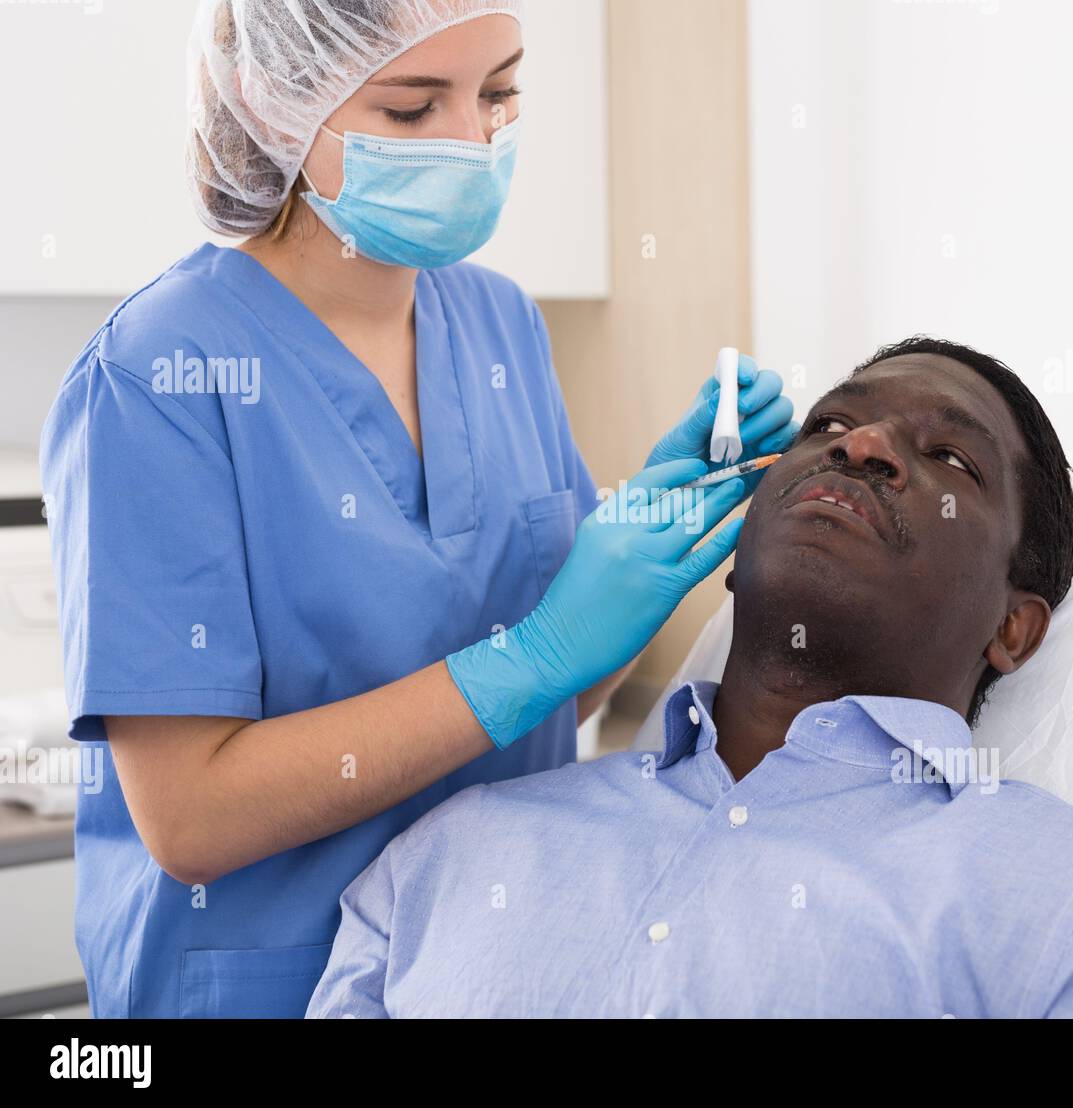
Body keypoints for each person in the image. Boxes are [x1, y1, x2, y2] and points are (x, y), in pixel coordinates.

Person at [37, 0, 796, 1018]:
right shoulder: (158, 378)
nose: (472, 144)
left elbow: (548, 700)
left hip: (486, 971)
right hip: (265, 988)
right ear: (277, 101)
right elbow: (191, 817)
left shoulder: (499, 325)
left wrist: (647, 548)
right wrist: (526, 655)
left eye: (498, 92)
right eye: (410, 107)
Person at [306, 337, 1073, 1019]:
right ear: (729, 542)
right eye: (830, 424)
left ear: (1014, 627)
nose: (861, 446)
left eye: (949, 457)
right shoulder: (444, 862)